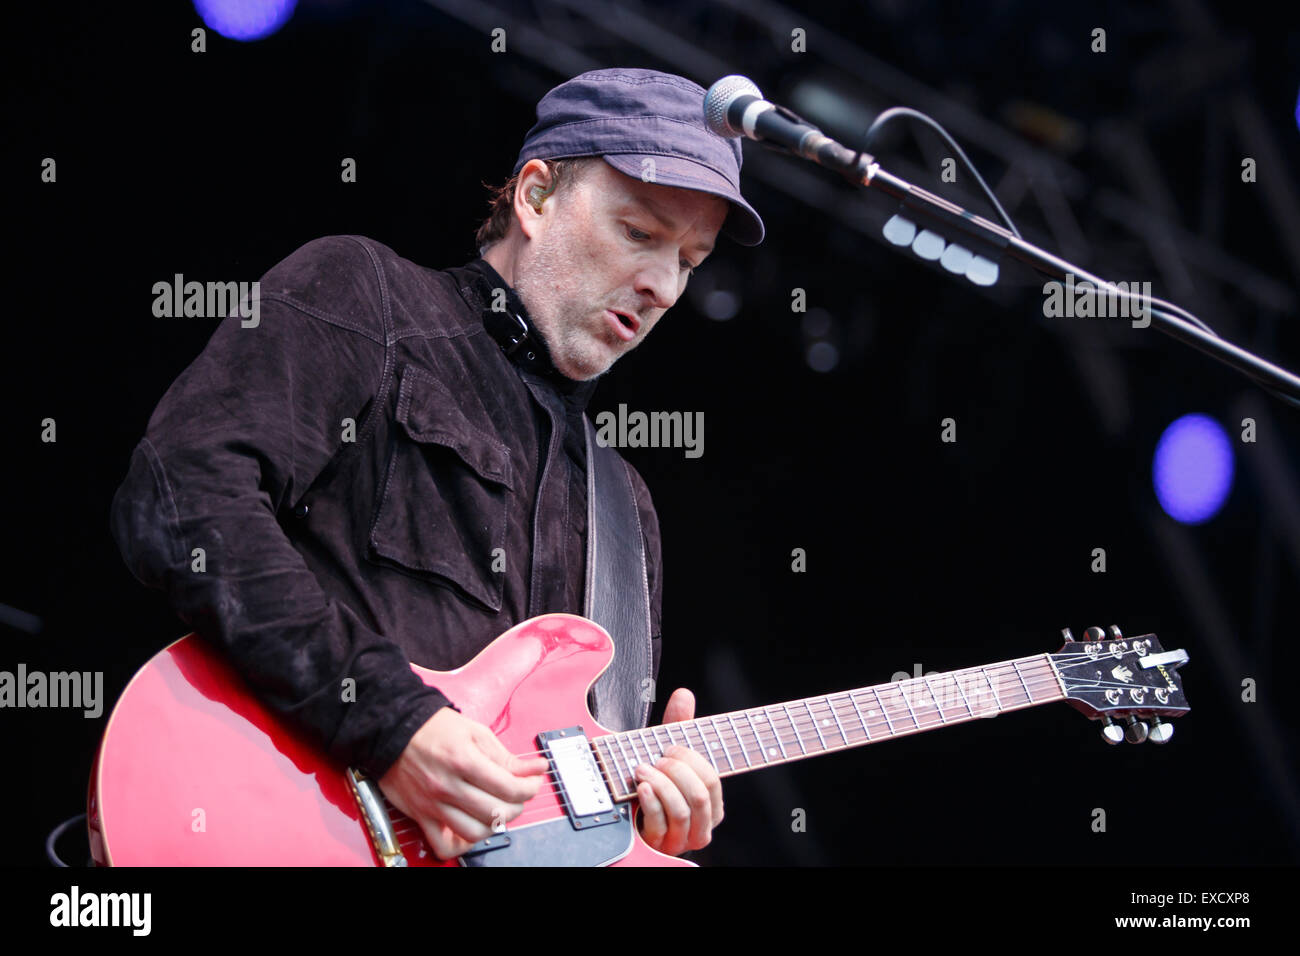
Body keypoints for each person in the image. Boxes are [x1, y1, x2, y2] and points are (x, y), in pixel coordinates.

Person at [110, 67, 764, 863]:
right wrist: (392, 724)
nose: (664, 285)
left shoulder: (624, 510)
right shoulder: (367, 297)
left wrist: (642, 820)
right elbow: (182, 498)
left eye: (690, 261)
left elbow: (549, 804)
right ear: (535, 196)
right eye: (640, 232)